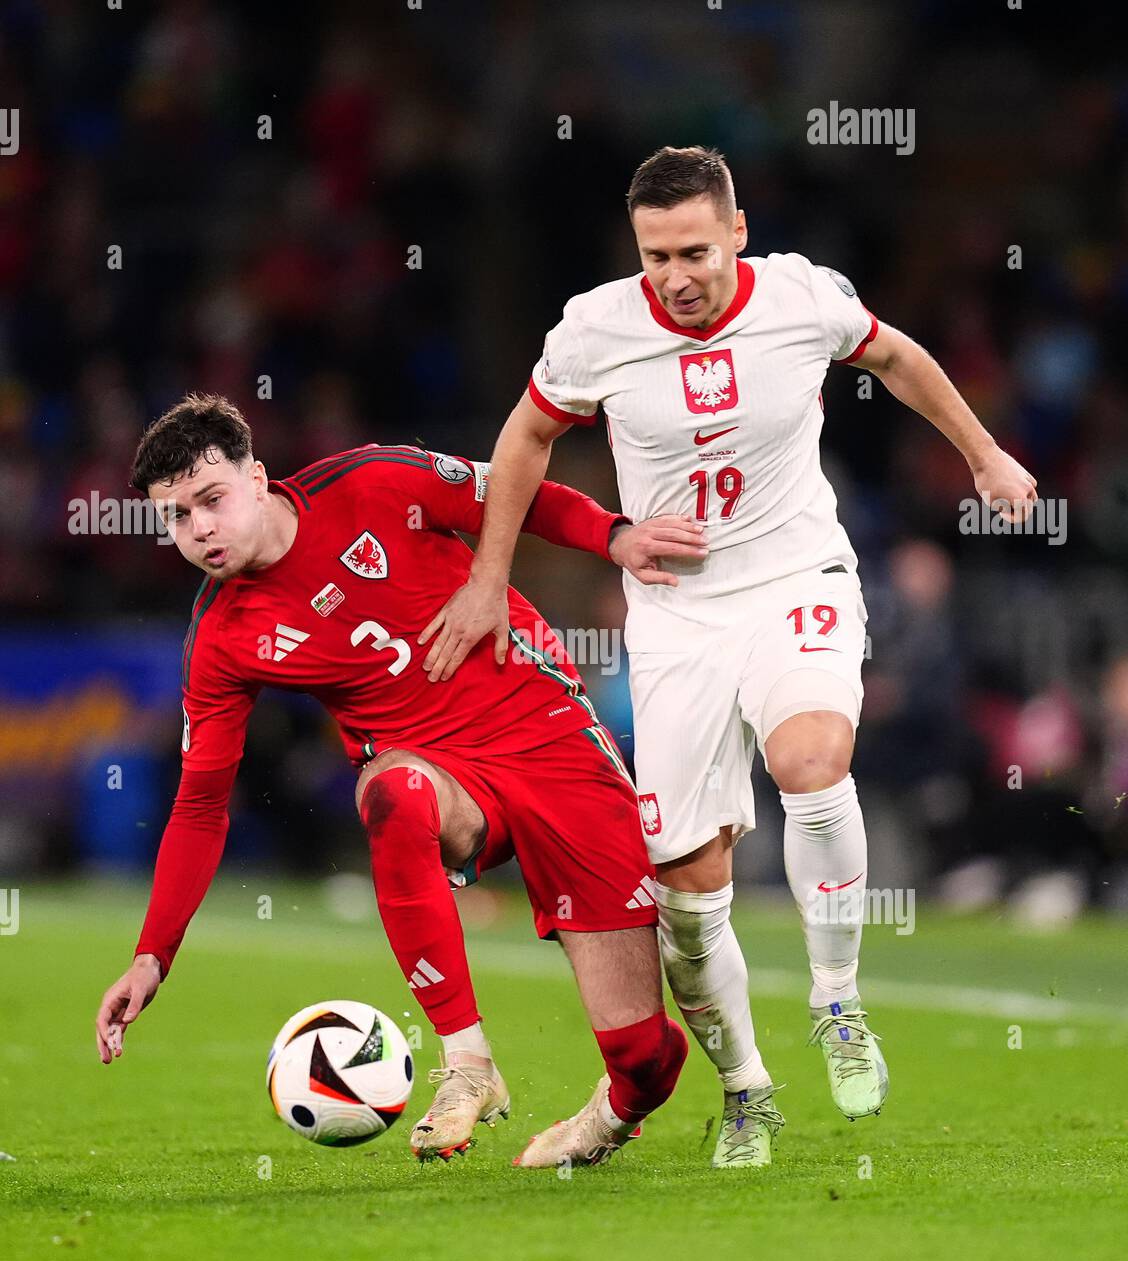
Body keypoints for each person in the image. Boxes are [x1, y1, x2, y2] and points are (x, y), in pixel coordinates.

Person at [419, 145, 1040, 1168]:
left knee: (810, 761)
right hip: (675, 618)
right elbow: (524, 439)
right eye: (657, 255)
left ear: (737, 233)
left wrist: (983, 453)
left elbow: (895, 357)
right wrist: (490, 578)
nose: (678, 274)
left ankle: (837, 1002)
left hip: (797, 577)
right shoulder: (594, 329)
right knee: (687, 884)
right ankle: (747, 1089)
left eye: (696, 250)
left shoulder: (800, 296)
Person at [94, 393, 701, 1168]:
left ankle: (611, 1114)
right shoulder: (223, 638)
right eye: (177, 518)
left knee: (645, 1057)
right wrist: (153, 954)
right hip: (435, 774)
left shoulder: (374, 482)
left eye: (211, 500)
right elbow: (202, 804)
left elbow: (520, 494)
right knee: (392, 793)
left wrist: (613, 537)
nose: (199, 529)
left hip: (545, 737)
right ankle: (468, 1062)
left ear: (258, 478)